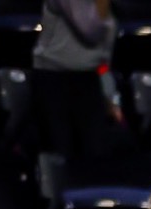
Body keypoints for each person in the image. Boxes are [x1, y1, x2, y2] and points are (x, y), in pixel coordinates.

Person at [32, 0, 118, 162]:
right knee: (62, 159)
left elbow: (102, 59)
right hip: (56, 81)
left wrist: (110, 95)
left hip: (89, 81)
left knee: (96, 160)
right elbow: (90, 30)